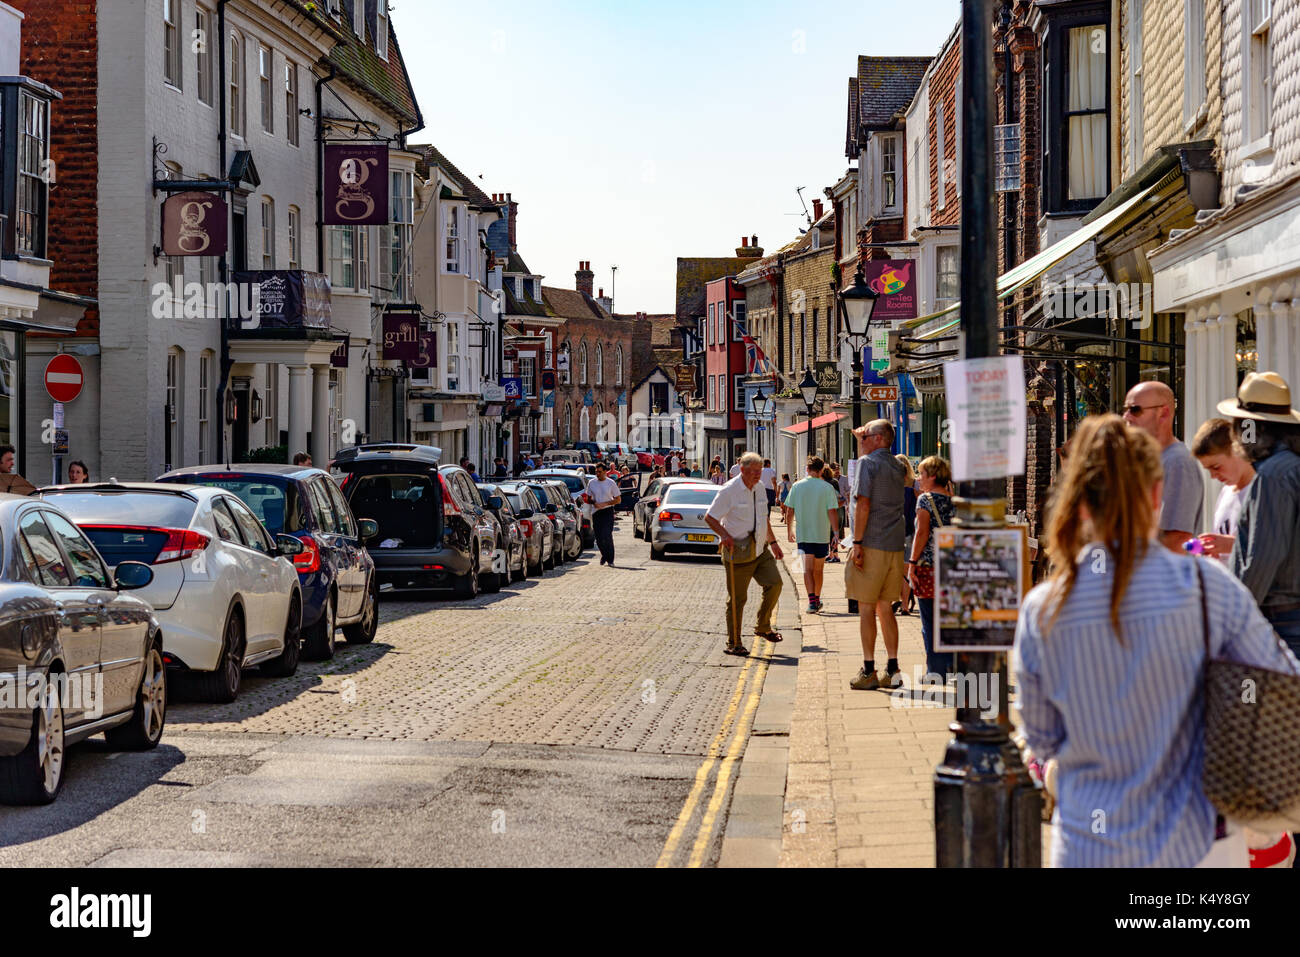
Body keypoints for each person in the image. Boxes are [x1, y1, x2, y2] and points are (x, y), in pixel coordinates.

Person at [1013, 414, 1298, 867]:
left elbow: (1043, 738)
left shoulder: (1044, 608)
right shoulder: (1209, 588)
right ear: (1156, 496)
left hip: (1092, 843)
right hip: (1201, 844)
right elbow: (1283, 682)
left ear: (1081, 504)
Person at [1219, 371, 1300, 656]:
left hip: (1281, 618)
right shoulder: (1286, 467)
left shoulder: (1273, 475)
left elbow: (1264, 556)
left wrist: (1235, 620)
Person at [846, 420, 907, 690]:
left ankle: (868, 670)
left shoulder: (867, 464)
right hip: (894, 546)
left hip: (871, 544)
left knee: (866, 608)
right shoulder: (898, 466)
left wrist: (857, 542)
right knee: (886, 608)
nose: (863, 437)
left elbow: (863, 504)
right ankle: (892, 669)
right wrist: (862, 443)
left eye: (867, 434)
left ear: (879, 438)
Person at [705, 451, 785, 656]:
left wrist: (774, 542)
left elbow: (764, 517)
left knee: (775, 584)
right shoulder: (729, 490)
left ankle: (763, 626)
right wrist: (723, 535)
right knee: (738, 600)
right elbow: (710, 517)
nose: (758, 476)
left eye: (759, 472)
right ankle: (734, 642)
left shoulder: (759, 488)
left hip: (760, 549)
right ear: (742, 470)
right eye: (753, 472)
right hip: (737, 552)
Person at [1122, 380, 1202, 551]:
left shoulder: (1177, 463)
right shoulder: (1147, 461)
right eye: (1126, 409)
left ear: (1163, 413)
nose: (1126, 417)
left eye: (1135, 410)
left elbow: (1177, 538)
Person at [907, 456, 955, 679]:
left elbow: (922, 533)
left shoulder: (925, 500)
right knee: (950, 618)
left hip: (929, 566)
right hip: (953, 566)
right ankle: (952, 665)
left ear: (933, 476)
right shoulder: (955, 501)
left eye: (922, 474)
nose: (919, 478)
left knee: (929, 619)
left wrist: (912, 563)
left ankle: (935, 670)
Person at [1191, 417, 1255, 562]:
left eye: (1216, 467)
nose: (1213, 476)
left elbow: (1272, 548)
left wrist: (1230, 545)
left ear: (1236, 450)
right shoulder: (1226, 492)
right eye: (1208, 470)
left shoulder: (1262, 491)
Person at [785, 457, 840, 614]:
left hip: (804, 535)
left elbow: (789, 510)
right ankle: (817, 597)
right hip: (822, 535)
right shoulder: (827, 487)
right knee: (818, 570)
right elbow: (832, 511)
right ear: (822, 470)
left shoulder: (797, 486)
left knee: (807, 570)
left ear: (807, 469)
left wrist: (789, 530)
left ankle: (812, 602)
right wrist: (836, 533)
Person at [586, 462, 621, 566]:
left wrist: (606, 503)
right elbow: (588, 498)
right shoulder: (592, 482)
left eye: (600, 472)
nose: (598, 474)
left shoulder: (611, 483)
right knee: (599, 537)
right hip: (596, 512)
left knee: (607, 535)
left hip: (607, 511)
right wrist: (594, 503)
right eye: (596, 472)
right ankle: (604, 555)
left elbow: (618, 499)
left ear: (605, 472)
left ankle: (610, 559)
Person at [895, 455, 917, 616]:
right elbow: (913, 516)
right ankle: (904, 606)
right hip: (908, 533)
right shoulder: (912, 491)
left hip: (889, 535)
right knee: (906, 571)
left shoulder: (886, 490)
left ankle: (890, 601)